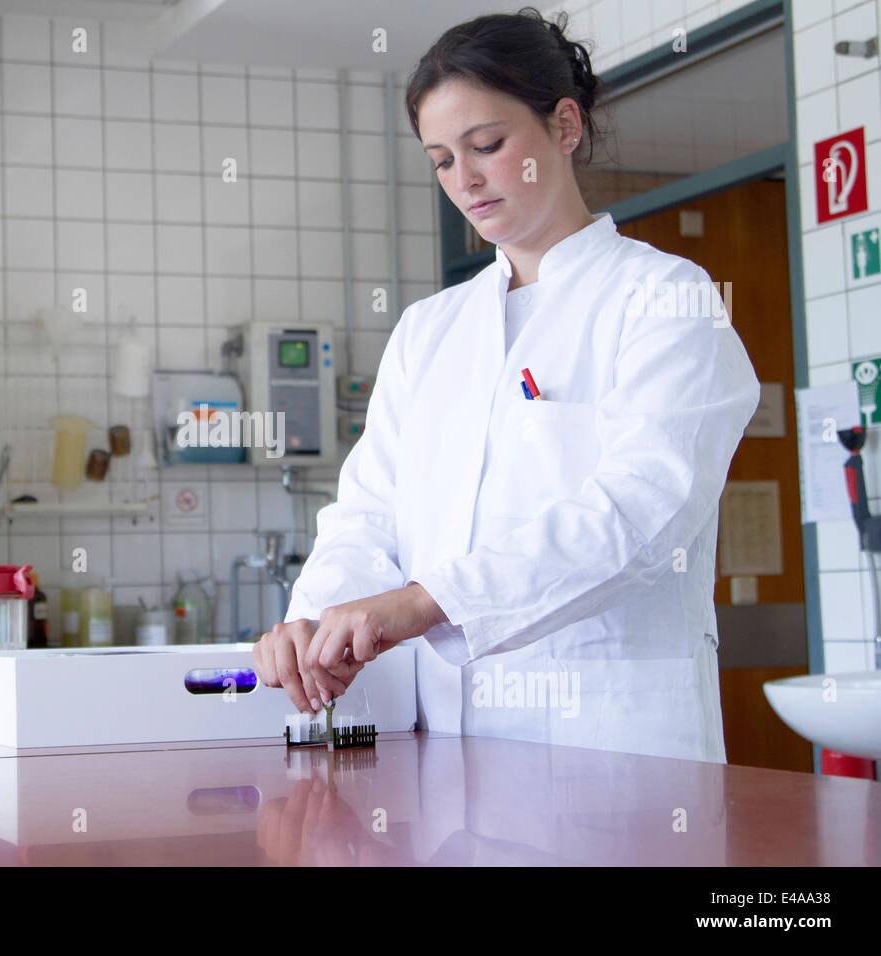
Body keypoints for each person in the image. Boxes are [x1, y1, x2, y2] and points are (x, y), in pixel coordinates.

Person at [251, 7, 760, 763]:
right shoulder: (429, 331)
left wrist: (426, 604)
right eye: (442, 160)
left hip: (615, 749)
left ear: (564, 125)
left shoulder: (665, 300)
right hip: (446, 746)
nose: (467, 180)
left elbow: (642, 513)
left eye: (486, 145)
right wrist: (318, 624)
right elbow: (366, 516)